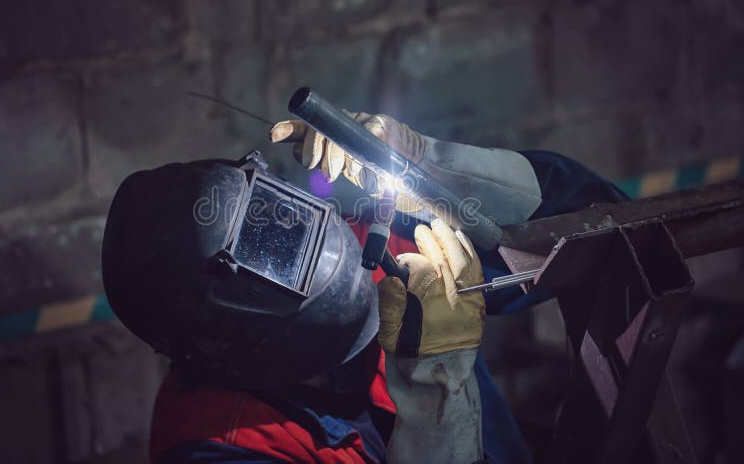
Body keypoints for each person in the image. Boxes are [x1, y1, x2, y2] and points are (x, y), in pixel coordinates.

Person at [101, 112, 626, 463]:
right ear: (225, 332)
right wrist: (434, 399)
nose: (325, 244)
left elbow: (608, 227)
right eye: (270, 250)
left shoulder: (373, 251)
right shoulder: (218, 448)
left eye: (280, 212)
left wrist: (429, 165)